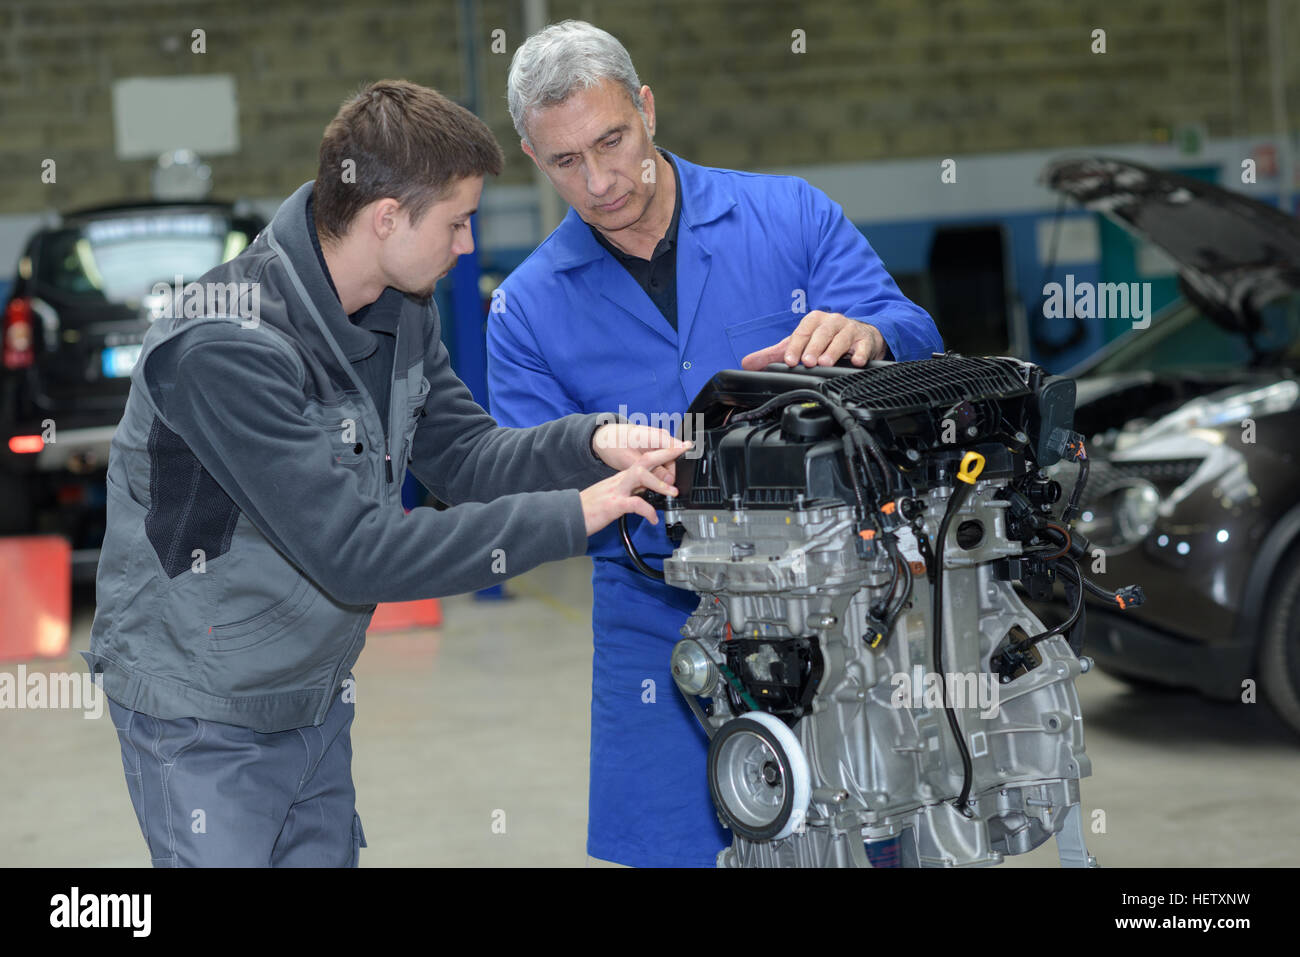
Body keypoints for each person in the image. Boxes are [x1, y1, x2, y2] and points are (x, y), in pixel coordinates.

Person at [85, 79, 689, 867]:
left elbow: (467, 457)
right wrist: (575, 516)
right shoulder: (225, 347)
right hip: (204, 712)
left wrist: (593, 442)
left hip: (313, 691)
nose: (467, 245)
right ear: (386, 218)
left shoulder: (401, 306)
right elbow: (357, 550)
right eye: (457, 221)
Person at [487, 21, 942, 867]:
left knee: (860, 837)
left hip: (833, 607)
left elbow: (916, 334)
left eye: (611, 141)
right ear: (531, 157)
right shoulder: (526, 309)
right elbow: (524, 479)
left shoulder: (788, 216)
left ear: (647, 107)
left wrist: (869, 335)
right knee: (680, 850)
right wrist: (605, 468)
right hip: (658, 626)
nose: (598, 181)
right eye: (564, 163)